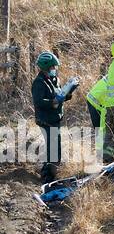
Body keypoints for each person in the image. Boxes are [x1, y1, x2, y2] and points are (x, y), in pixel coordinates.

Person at [31, 52, 78, 184]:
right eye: (52, 67)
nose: (55, 69)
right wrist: (53, 101)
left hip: (55, 118)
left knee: (54, 148)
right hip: (45, 120)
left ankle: (49, 172)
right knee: (54, 149)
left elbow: (59, 95)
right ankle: (48, 177)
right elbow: (39, 102)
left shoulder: (54, 80)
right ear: (45, 67)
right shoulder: (39, 83)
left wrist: (68, 93)